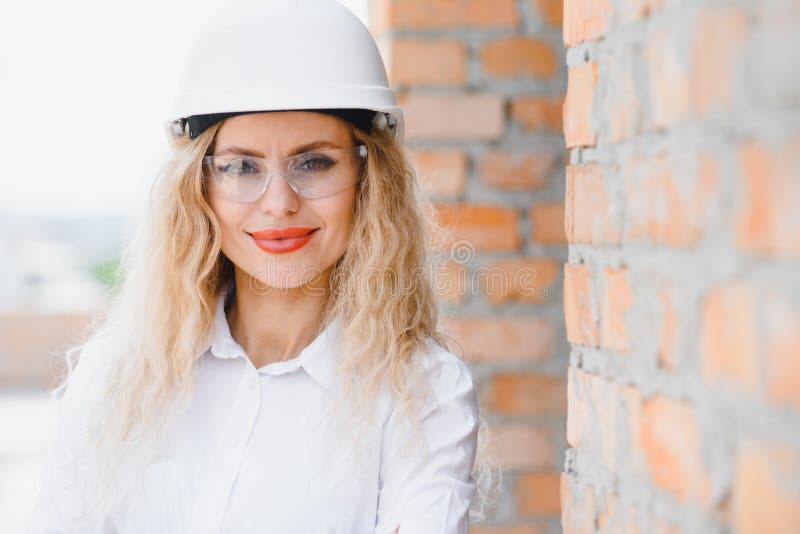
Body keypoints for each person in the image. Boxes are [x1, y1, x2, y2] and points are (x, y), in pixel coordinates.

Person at [27, 0, 498, 533]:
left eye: (314, 163)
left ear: (370, 181)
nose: (278, 203)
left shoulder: (423, 392)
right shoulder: (115, 375)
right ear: (199, 187)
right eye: (241, 167)